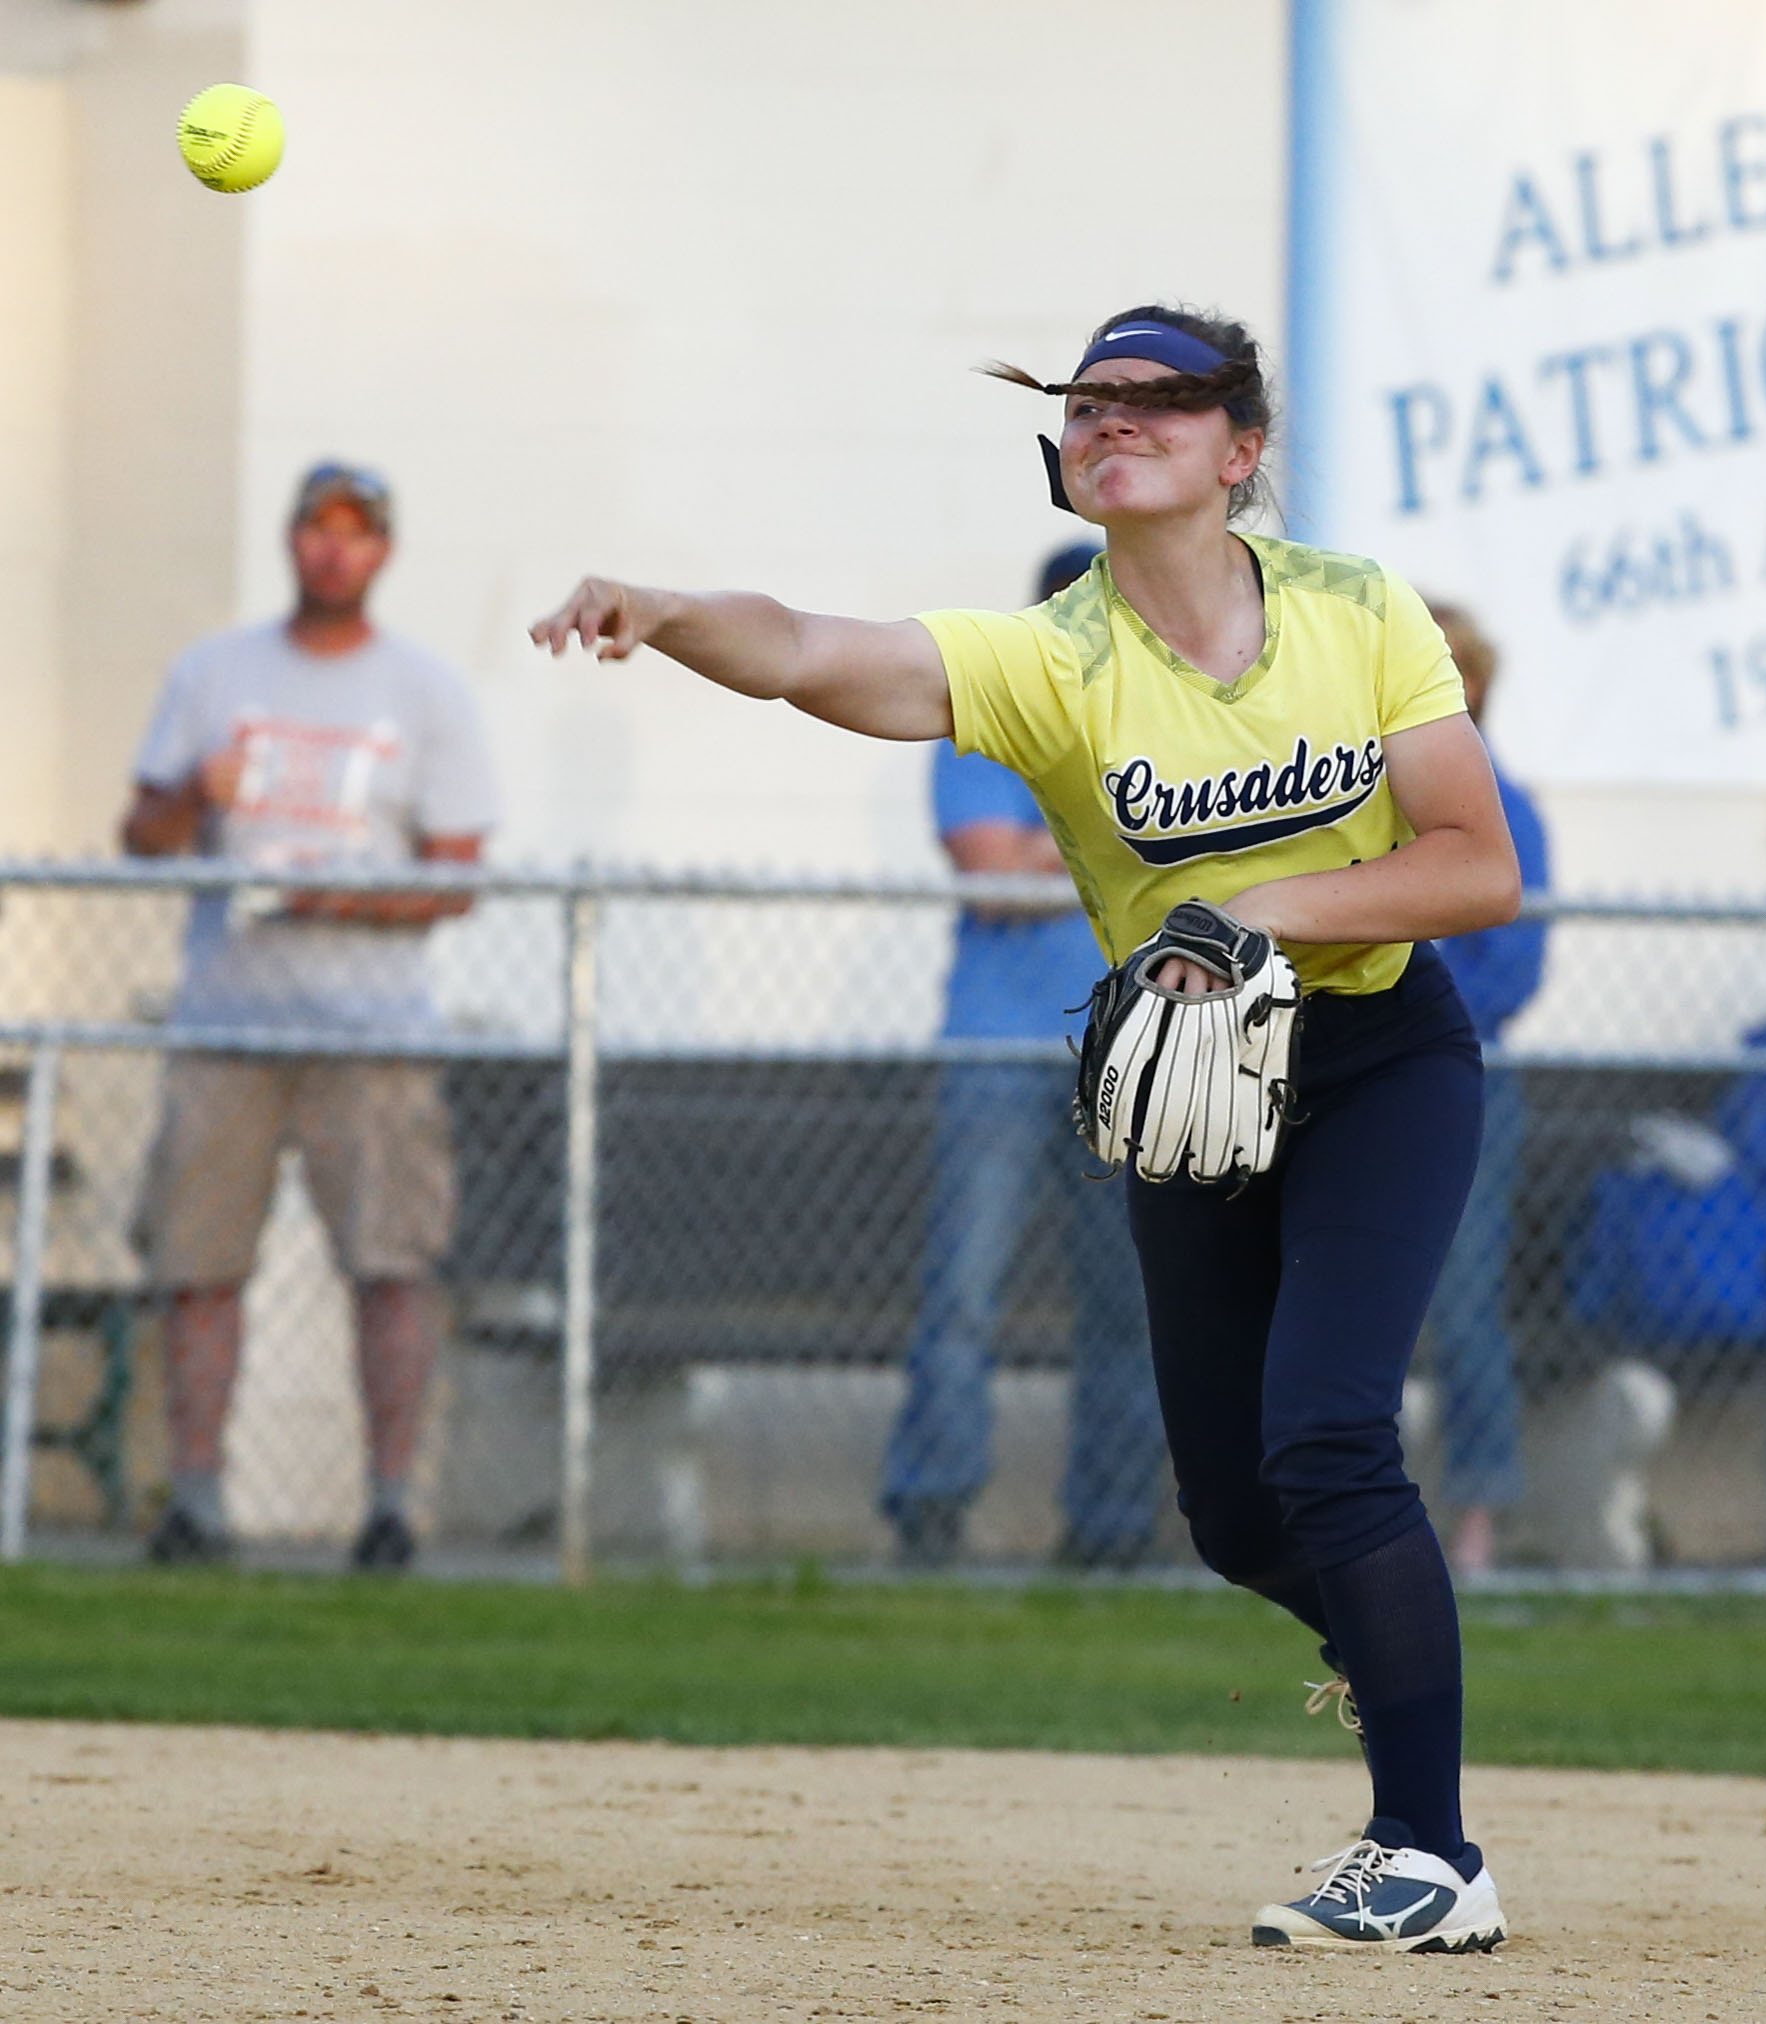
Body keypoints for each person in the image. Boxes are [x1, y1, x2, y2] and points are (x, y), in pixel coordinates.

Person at [530, 303, 1521, 1952]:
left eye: (1157, 397)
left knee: (1328, 1434)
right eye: (1085, 400)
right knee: (1230, 1507)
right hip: (1192, 1095)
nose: (1109, 416)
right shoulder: (1057, 653)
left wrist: (1252, 903)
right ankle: (1396, 1635)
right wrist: (672, 607)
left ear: (1237, 447)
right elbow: (801, 648)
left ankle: (1429, 1849)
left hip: (1372, 1060)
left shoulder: (1352, 610)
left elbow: (1472, 861)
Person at [124, 463, 500, 1571]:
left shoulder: (425, 690)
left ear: (383, 551)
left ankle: (391, 1510)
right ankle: (195, 1500)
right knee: (200, 1264)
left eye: (357, 533)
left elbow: (460, 874)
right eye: (317, 529)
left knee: (391, 1265)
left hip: (371, 1026)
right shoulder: (212, 673)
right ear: (291, 541)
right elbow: (140, 835)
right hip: (227, 1021)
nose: (334, 550)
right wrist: (199, 791)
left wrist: (329, 897)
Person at [881, 540, 1165, 1572]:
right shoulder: (980, 719)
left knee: (1131, 1303)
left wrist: (1070, 844)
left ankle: (1111, 1526)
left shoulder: (1170, 718)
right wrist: (1121, 833)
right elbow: (994, 875)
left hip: (1130, 1047)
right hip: (999, 1048)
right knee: (965, 1293)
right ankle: (931, 1509)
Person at [1423, 602, 1550, 1575]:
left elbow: (1512, 968)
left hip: (1455, 1081)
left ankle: (1476, 1519)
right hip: (1327, 1074)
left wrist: (1400, 1003)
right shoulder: (1349, 793)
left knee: (1463, 1304)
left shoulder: (1510, 811)